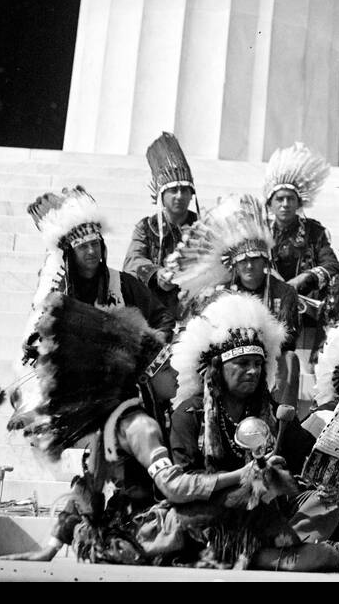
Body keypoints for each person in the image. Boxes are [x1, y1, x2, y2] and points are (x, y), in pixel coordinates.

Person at [0, 293, 229, 564]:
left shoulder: (129, 418)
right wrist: (240, 476)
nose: (177, 374)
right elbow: (173, 488)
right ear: (146, 379)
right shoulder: (140, 426)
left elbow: (88, 485)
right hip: (140, 533)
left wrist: (50, 549)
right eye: (168, 369)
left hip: (132, 527)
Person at [164, 290, 339, 571]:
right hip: (216, 514)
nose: (253, 371)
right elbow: (183, 484)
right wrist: (241, 479)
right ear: (218, 368)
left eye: (257, 364)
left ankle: (267, 552)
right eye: (242, 364)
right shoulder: (190, 414)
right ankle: (271, 555)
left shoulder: (272, 411)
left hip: (268, 514)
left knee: (329, 496)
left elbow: (309, 457)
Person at [168, 193, 303, 407]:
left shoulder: (284, 292)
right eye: (243, 261)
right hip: (229, 363)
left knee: (290, 359)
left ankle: (282, 419)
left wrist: (256, 343)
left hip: (268, 361)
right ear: (234, 266)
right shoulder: (220, 294)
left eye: (255, 260)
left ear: (265, 262)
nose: (249, 266)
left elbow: (290, 338)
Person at [24, 186, 174, 357]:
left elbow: (161, 316)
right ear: (70, 254)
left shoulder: (122, 283)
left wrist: (155, 343)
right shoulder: (58, 291)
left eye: (95, 244)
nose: (91, 251)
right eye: (83, 247)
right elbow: (35, 336)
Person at [264, 142, 339, 371]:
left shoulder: (313, 231)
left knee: (300, 372)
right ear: (270, 203)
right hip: (266, 308)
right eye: (280, 199)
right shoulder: (261, 232)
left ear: (299, 202)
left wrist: (301, 280)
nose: (285, 204)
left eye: (290, 198)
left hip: (304, 313)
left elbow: (332, 265)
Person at [124, 133, 198, 325]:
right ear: (162, 196)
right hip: (153, 309)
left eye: (185, 190)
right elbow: (132, 261)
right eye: (173, 190)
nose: (179, 196)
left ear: (192, 195)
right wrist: (156, 274)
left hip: (194, 308)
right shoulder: (146, 227)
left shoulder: (203, 227)